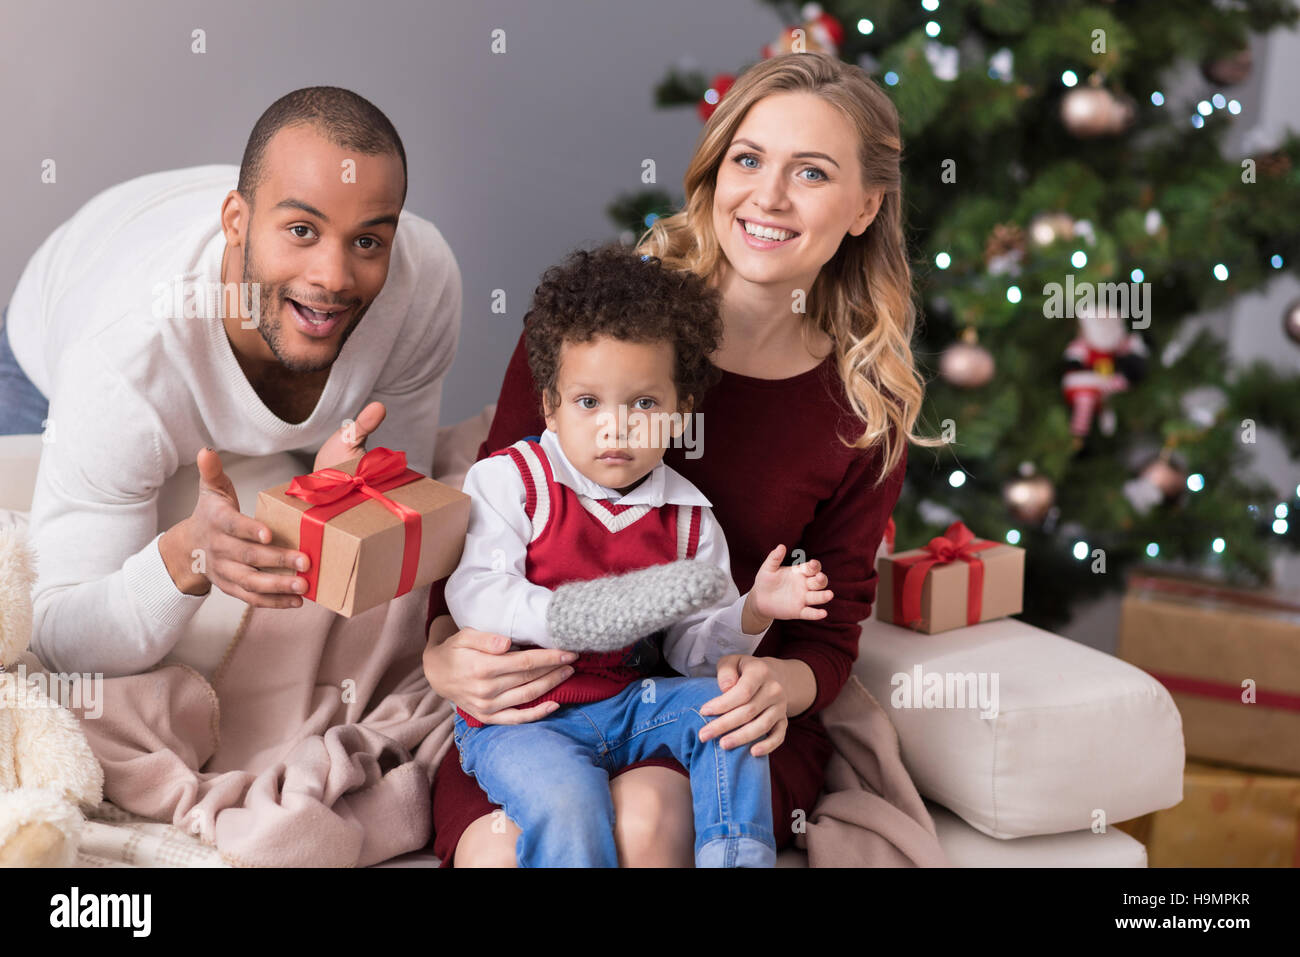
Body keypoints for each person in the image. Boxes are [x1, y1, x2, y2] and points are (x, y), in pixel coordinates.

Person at [424, 52, 940, 867]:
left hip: (712, 716)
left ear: (866, 205)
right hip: (544, 706)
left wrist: (781, 684)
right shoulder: (594, 332)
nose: (768, 197)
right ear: (714, 174)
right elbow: (484, 535)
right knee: (512, 843)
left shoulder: (863, 414)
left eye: (810, 172)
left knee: (647, 821)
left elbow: (830, 639)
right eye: (748, 159)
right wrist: (443, 656)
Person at [3, 87, 462, 677]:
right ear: (236, 223)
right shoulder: (123, 362)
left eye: (367, 241)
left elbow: (397, 516)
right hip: (51, 329)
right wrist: (185, 555)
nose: (333, 277)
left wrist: (348, 496)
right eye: (302, 230)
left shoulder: (422, 284)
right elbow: (59, 637)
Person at [444, 245, 834, 867]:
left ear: (681, 411)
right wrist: (574, 617)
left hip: (633, 706)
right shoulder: (510, 480)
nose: (615, 428)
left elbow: (693, 655)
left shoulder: (687, 519)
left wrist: (755, 610)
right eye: (589, 401)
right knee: (568, 802)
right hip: (524, 719)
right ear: (550, 404)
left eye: (644, 404)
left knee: (726, 715)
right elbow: (475, 594)